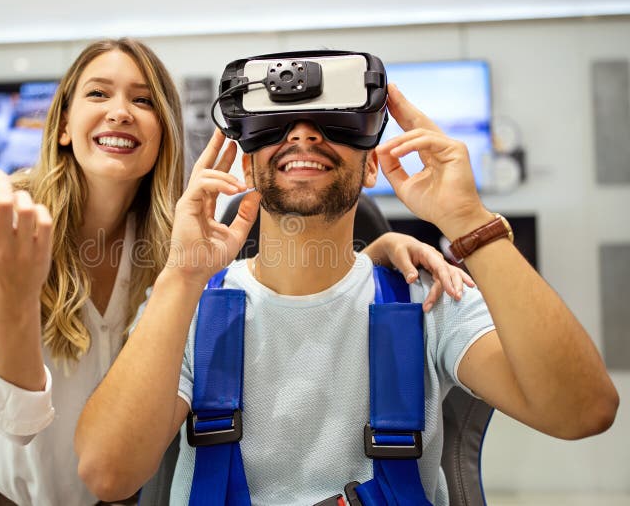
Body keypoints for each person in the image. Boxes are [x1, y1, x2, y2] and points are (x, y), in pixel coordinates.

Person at [0, 38, 472, 506]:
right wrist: (13, 297)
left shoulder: (178, 229)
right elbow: (13, 421)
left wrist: (373, 254)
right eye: (99, 94)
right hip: (1, 485)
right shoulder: (4, 221)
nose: (121, 112)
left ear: (164, 131)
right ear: (61, 124)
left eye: (143, 100)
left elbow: (280, 266)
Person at [74, 83, 620, 504]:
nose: (304, 135)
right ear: (246, 164)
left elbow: (582, 411)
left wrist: (468, 221)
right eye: (277, 123)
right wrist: (180, 275)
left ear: (371, 163)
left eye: (334, 122)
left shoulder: (426, 299)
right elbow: (108, 471)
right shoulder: (187, 307)